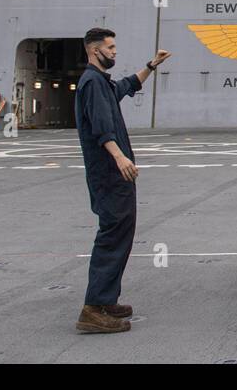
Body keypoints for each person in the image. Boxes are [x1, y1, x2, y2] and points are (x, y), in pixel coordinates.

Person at [73, 27, 171, 334]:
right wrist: (119, 157)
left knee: (120, 233)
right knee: (112, 235)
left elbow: (126, 87)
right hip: (110, 174)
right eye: (110, 48)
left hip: (115, 175)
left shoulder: (101, 83)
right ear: (94, 50)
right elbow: (101, 127)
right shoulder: (91, 83)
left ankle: (105, 300)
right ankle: (93, 308)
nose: (115, 52)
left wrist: (151, 66)